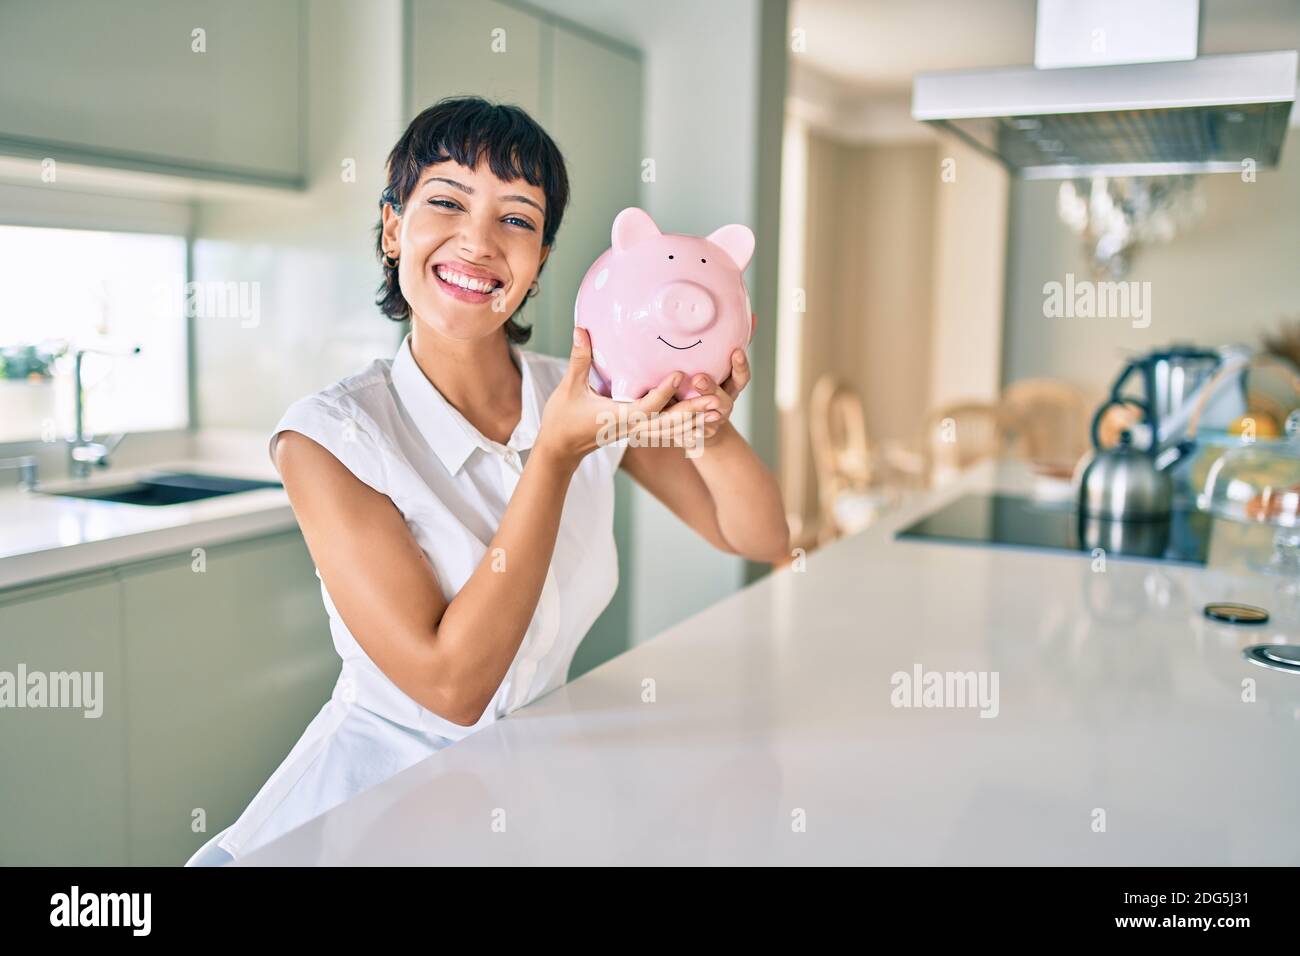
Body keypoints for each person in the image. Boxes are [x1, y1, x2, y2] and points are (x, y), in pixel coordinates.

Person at [197, 96, 788, 864]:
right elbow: (452, 689)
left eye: (517, 219)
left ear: (541, 261)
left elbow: (760, 534)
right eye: (445, 202)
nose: (478, 243)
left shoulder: (583, 393)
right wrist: (555, 455)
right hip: (367, 811)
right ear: (393, 228)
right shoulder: (328, 437)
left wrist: (704, 418)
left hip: (527, 795)